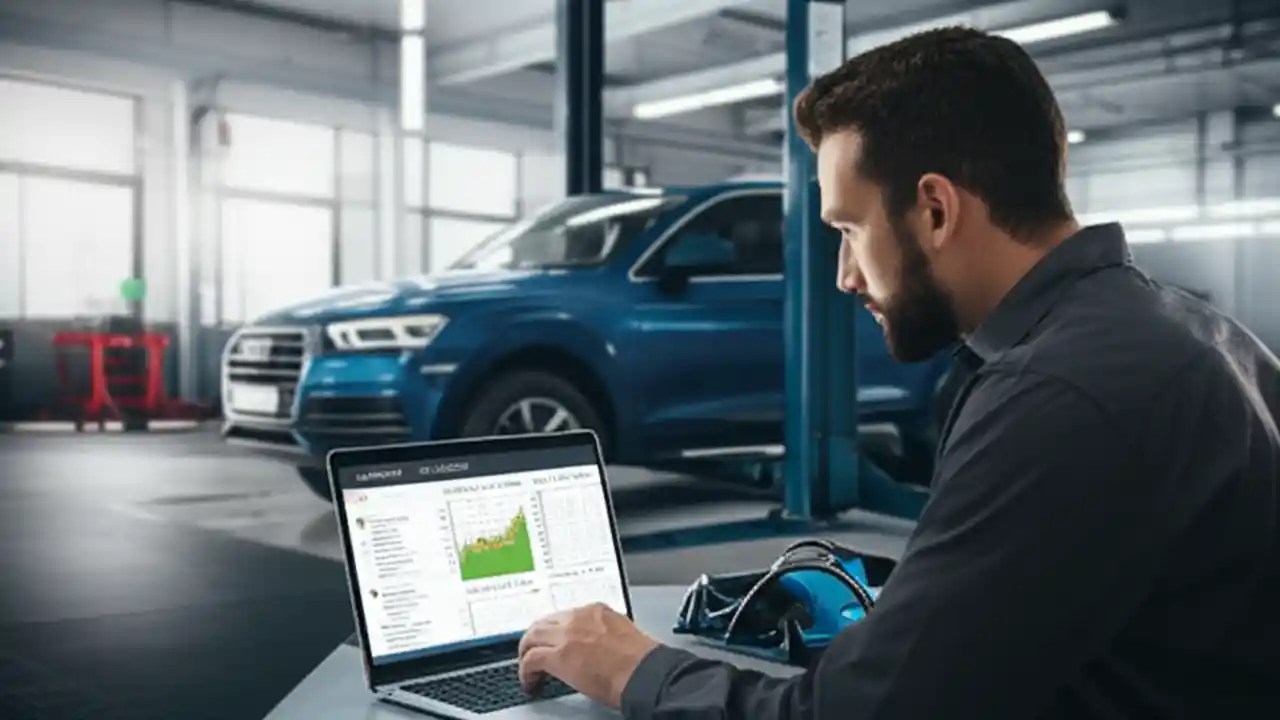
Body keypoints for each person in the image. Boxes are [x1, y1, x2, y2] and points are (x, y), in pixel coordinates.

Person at [516, 26, 1280, 719]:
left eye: (850, 228)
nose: (845, 274)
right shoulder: (1205, 336)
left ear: (936, 210)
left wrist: (636, 670)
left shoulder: (1055, 395)